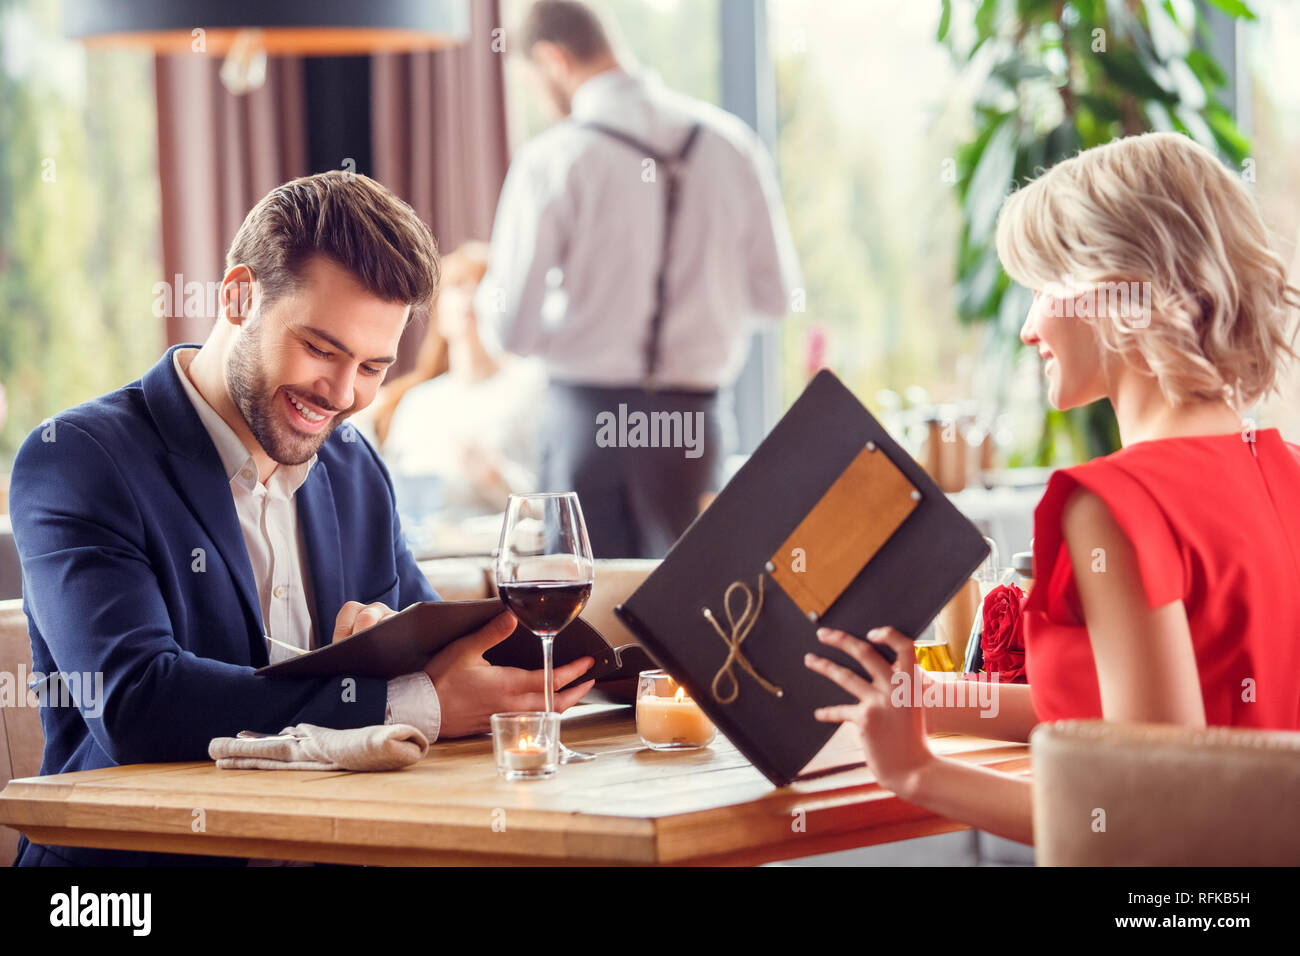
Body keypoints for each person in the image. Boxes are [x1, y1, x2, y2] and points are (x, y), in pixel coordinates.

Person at [9, 172, 595, 866]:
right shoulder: (80, 460)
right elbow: (138, 702)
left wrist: (390, 649)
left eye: (374, 366)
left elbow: (440, 661)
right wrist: (400, 702)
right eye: (321, 349)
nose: (344, 395)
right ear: (236, 297)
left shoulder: (354, 466)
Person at [805, 131, 1300, 846]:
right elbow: (1145, 723)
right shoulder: (1282, 465)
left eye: (1044, 289)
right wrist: (927, 698)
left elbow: (1149, 809)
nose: (1031, 328)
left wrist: (917, 773)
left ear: (1116, 287)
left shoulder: (1115, 505)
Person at [477, 0, 801, 558]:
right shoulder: (731, 144)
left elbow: (511, 331)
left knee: (585, 614)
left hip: (589, 422)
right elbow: (774, 299)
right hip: (691, 424)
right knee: (692, 610)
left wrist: (580, 314)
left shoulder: (554, 158)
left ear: (552, 60)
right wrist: (702, 310)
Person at [362, 242, 545, 528]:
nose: (469, 299)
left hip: (494, 555)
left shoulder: (531, 388)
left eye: (482, 287)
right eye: (459, 287)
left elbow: (558, 507)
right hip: (424, 554)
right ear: (439, 311)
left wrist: (495, 478)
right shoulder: (417, 403)